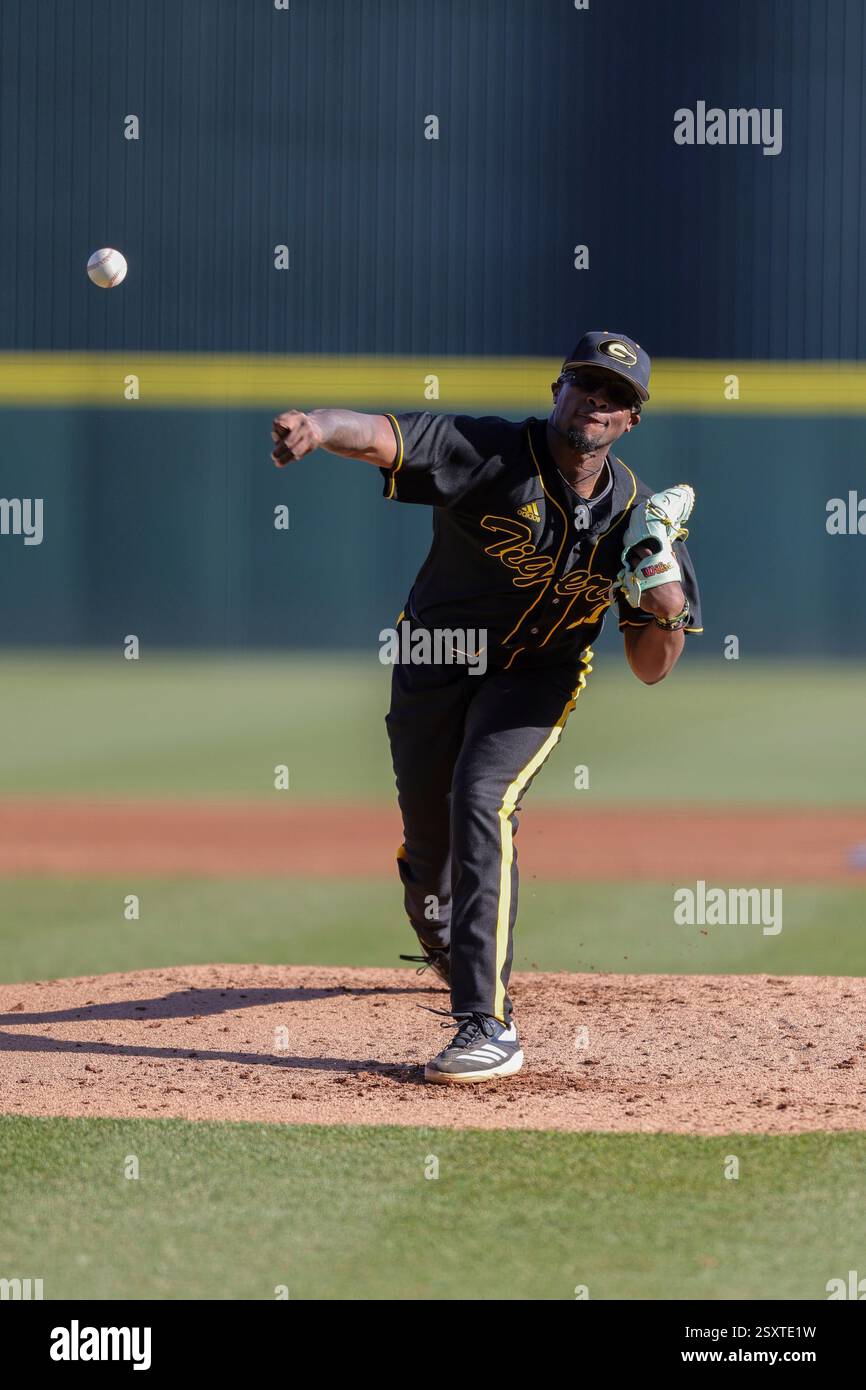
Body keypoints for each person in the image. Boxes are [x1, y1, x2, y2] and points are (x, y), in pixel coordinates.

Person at [272, 331, 702, 1083]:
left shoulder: (640, 518)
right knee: (430, 845)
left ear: (632, 419)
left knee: (483, 798)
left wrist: (661, 594)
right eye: (587, 384)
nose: (597, 402)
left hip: (537, 678)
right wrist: (317, 425)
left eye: (617, 396)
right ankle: (437, 926)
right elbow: (379, 435)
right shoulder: (487, 452)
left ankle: (486, 1023)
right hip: (435, 660)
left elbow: (651, 668)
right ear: (557, 389)